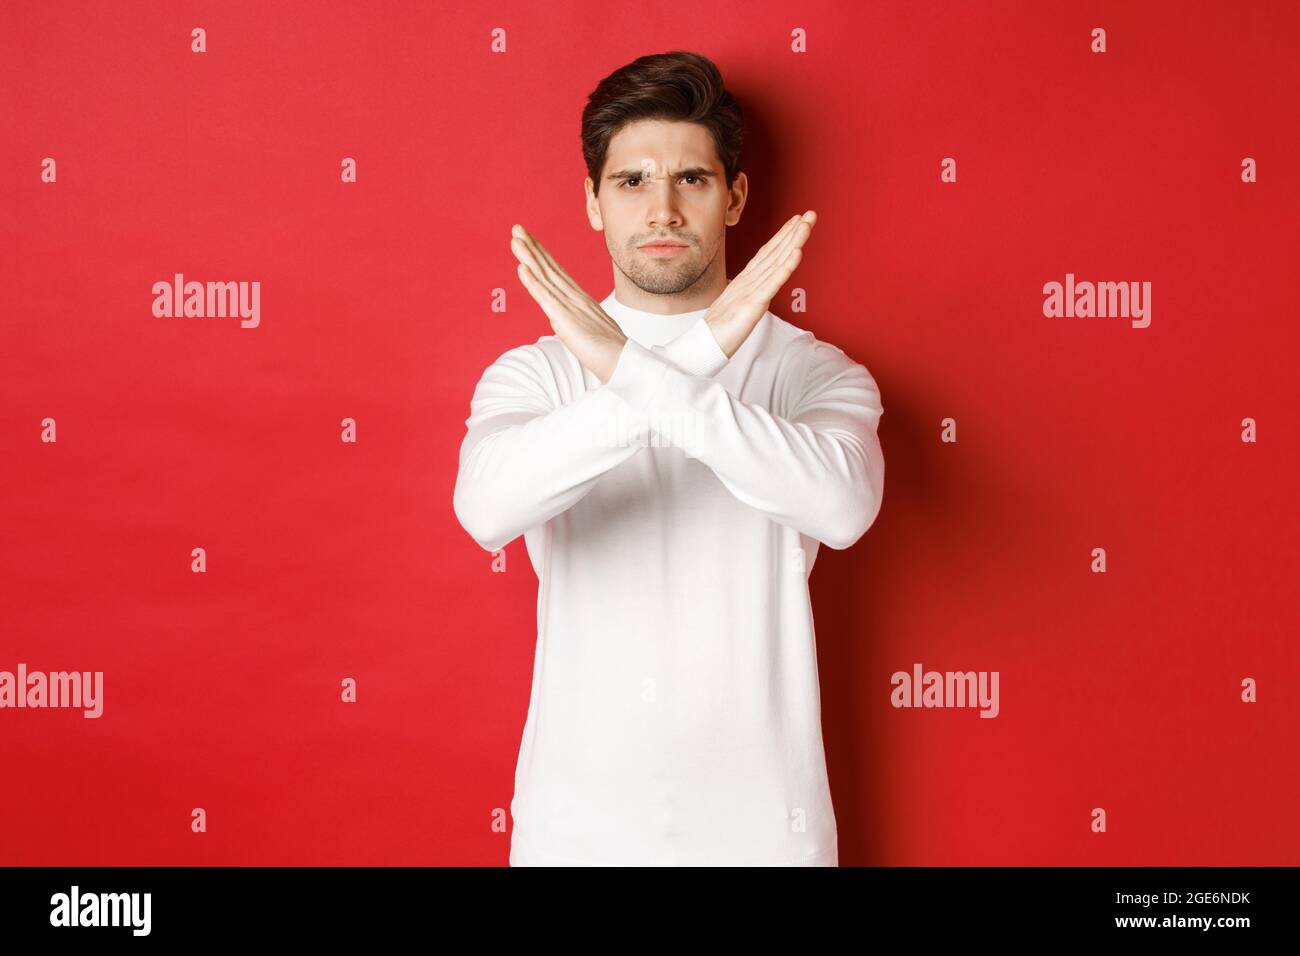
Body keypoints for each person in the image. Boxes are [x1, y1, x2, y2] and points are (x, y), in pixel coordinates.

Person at [452, 50, 885, 866]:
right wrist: (702, 351)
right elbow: (485, 509)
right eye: (631, 182)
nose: (663, 209)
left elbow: (844, 507)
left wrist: (660, 364)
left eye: (691, 179)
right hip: (574, 831)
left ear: (735, 198)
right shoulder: (536, 372)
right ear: (592, 202)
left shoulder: (812, 371)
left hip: (768, 834)